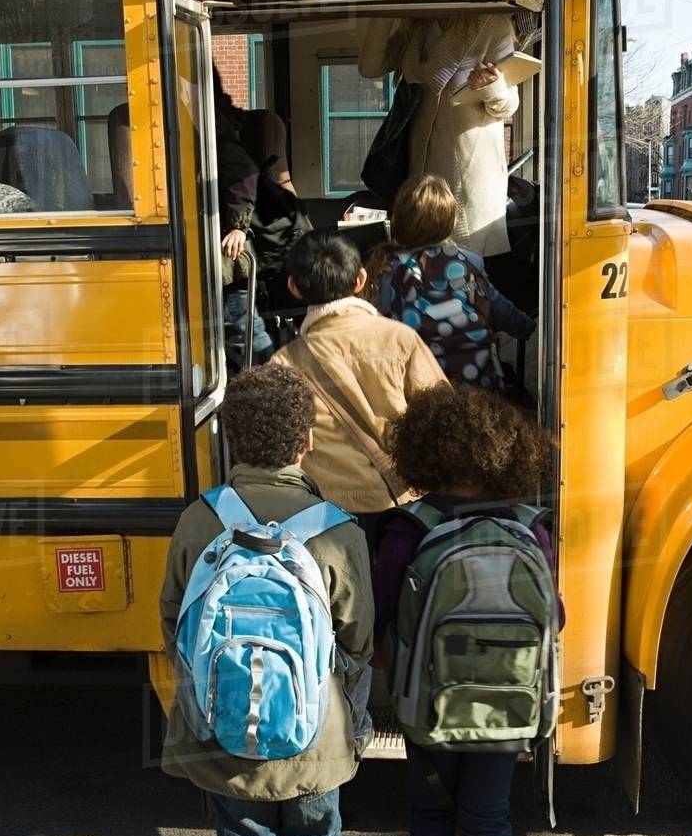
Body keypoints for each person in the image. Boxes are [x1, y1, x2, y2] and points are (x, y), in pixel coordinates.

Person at [159, 363, 373, 836]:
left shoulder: (201, 520)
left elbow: (174, 626)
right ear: (305, 443)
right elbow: (361, 638)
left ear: (232, 442)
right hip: (314, 738)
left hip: (223, 736)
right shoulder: (337, 529)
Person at [372, 384, 562, 836]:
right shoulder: (530, 530)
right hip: (507, 710)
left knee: (430, 819)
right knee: (489, 824)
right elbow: (552, 617)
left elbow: (382, 610)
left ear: (425, 452)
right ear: (508, 456)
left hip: (430, 707)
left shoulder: (410, 527)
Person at [271, 229, 448, 538]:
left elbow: (281, 454)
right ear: (360, 280)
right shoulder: (400, 339)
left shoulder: (283, 363)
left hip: (324, 516)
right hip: (402, 506)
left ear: (294, 288)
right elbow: (444, 416)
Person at [359, 14, 518, 260]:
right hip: (420, 175)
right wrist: (384, 10)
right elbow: (370, 67)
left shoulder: (489, 24)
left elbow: (509, 104)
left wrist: (491, 85)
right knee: (421, 268)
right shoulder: (416, 29)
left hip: (468, 177)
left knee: (466, 272)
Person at [372, 173, 535, 388]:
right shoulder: (468, 263)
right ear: (450, 221)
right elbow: (504, 313)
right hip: (476, 389)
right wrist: (527, 327)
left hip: (415, 389)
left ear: (399, 219)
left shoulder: (384, 269)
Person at [213, 69, 309, 366]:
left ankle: (272, 383)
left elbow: (243, 177)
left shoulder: (218, 136)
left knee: (244, 329)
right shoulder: (220, 129)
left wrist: (238, 226)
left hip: (233, 259)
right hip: (230, 258)